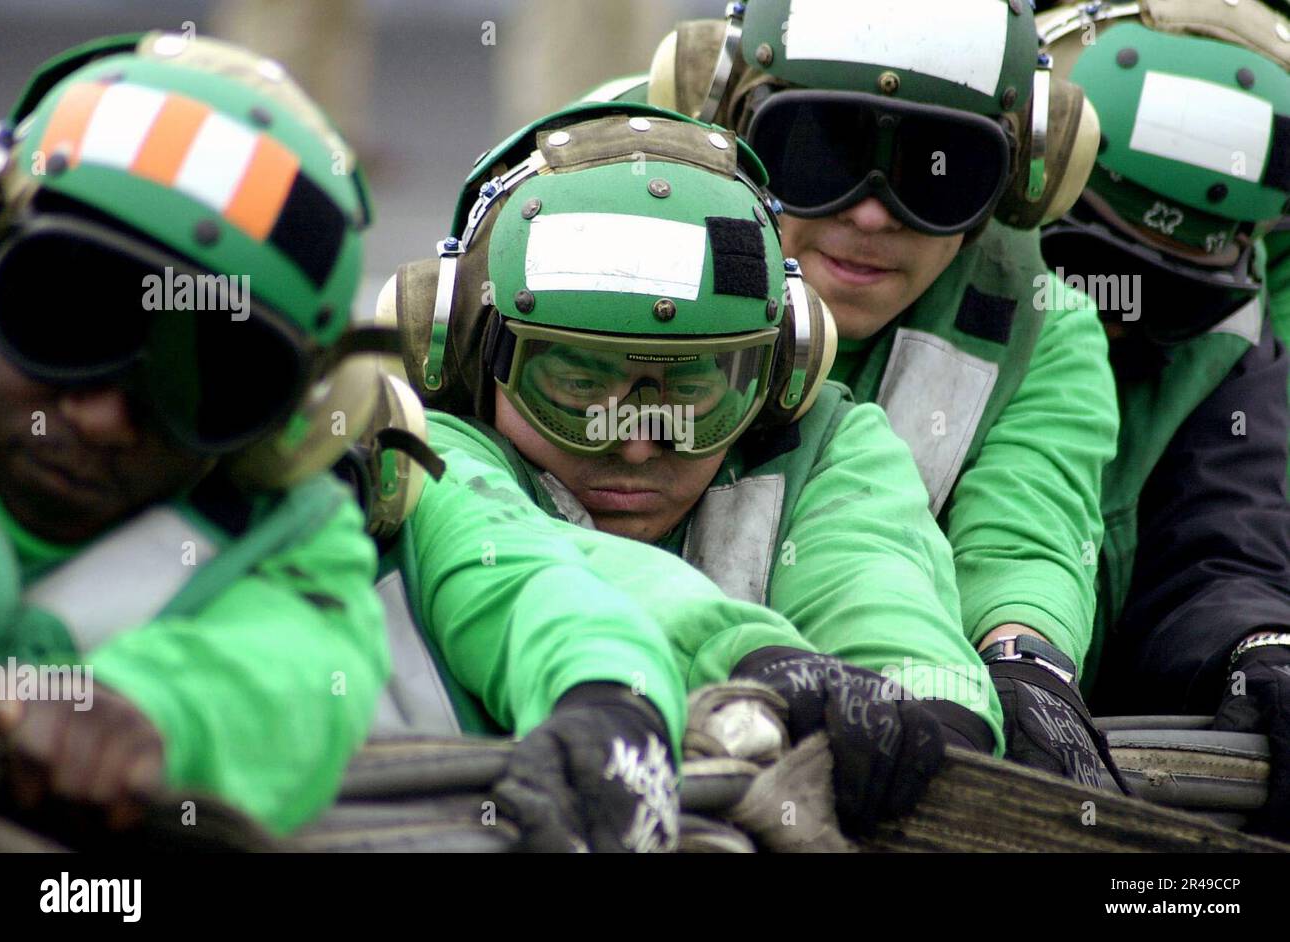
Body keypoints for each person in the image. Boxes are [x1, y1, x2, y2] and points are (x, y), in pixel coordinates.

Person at [380, 102, 1009, 841]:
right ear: (455, 346)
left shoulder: (829, 446)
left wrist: (935, 721)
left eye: (692, 389)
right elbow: (536, 566)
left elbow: (871, 578)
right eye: (579, 386)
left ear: (785, 368)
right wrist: (754, 659)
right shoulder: (434, 456)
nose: (638, 443)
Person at [592, 0, 1122, 787]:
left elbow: (1026, 530)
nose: (871, 213)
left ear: (1015, 183)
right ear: (731, 127)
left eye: (938, 167)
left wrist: (1027, 664)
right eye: (820, 150)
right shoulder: (589, 233)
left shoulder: (1042, 329)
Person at [0, 32, 396, 834]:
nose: (102, 418)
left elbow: (298, 671)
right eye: (61, 320)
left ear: (283, 424)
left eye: (202, 382)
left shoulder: (290, 539)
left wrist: (148, 713)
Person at [1037, 0, 1290, 839]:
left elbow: (1219, 538)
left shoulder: (1234, 349)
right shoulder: (919, 268)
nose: (1113, 319)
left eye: (1174, 296)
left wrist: (1252, 645)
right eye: (1085, 267)